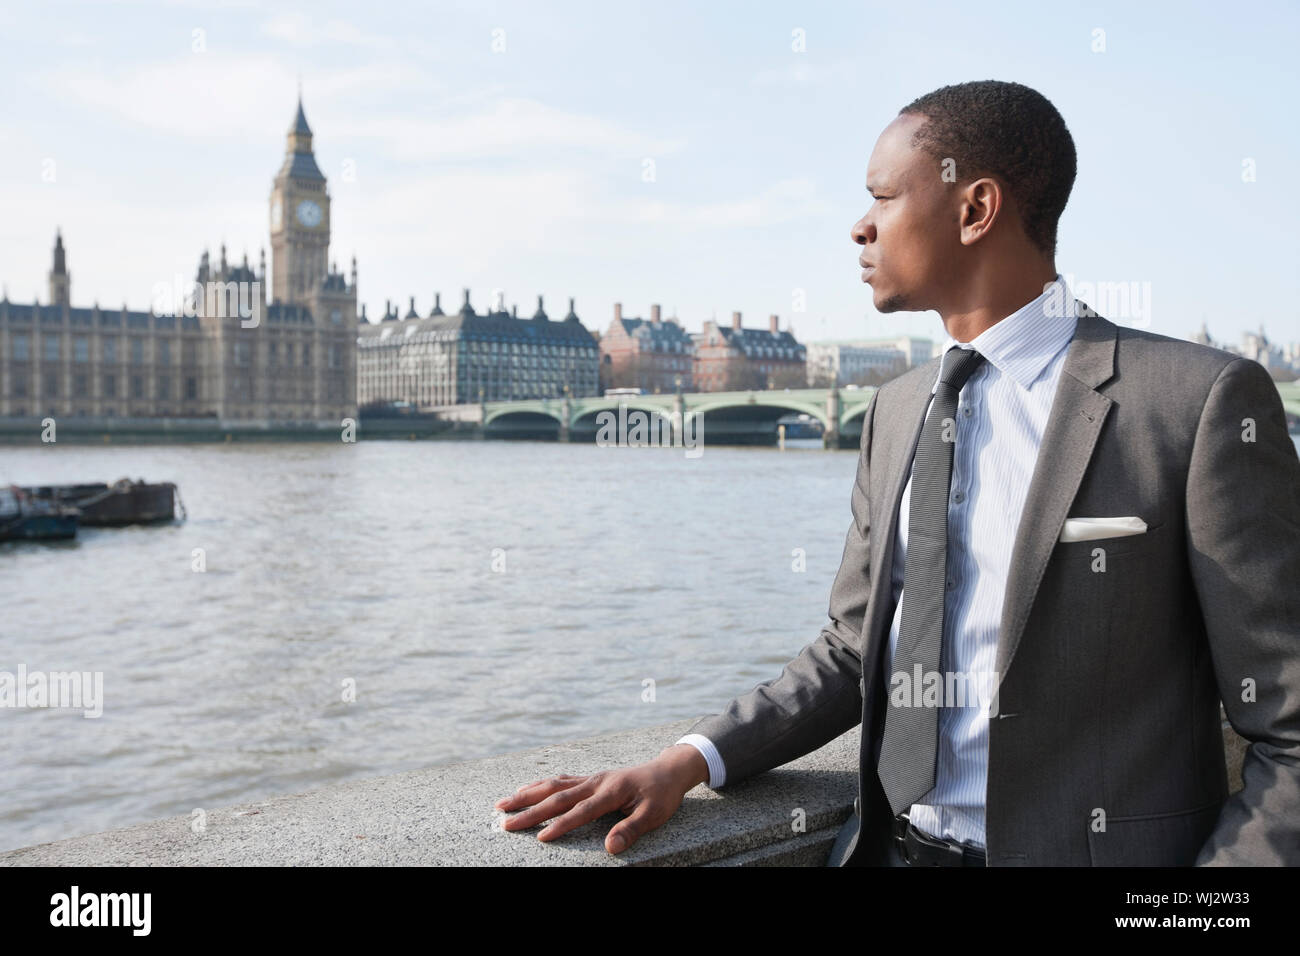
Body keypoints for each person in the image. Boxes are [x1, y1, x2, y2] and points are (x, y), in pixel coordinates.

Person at [494, 80, 1300, 865]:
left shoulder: (1194, 403)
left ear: (974, 209)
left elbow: (1288, 729)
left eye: (881, 198)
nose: (859, 228)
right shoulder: (899, 408)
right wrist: (689, 760)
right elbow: (856, 646)